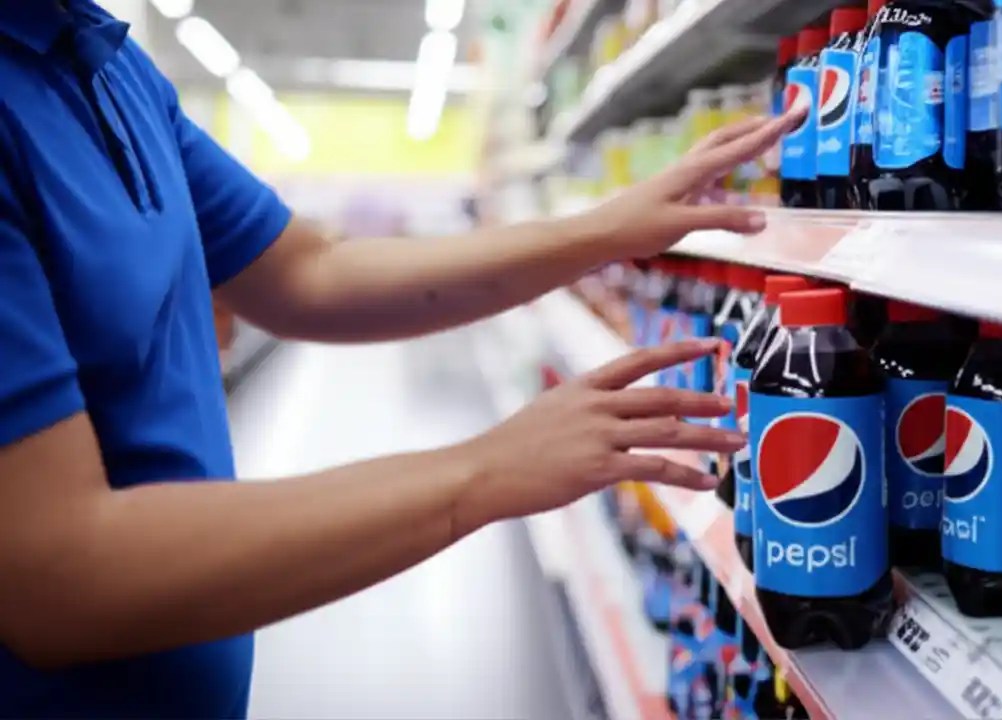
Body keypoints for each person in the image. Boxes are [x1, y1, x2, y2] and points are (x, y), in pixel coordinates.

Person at [0, 1, 803, 717]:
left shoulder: (105, 59)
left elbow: (308, 272)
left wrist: (606, 229)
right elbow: (60, 576)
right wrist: (486, 469)